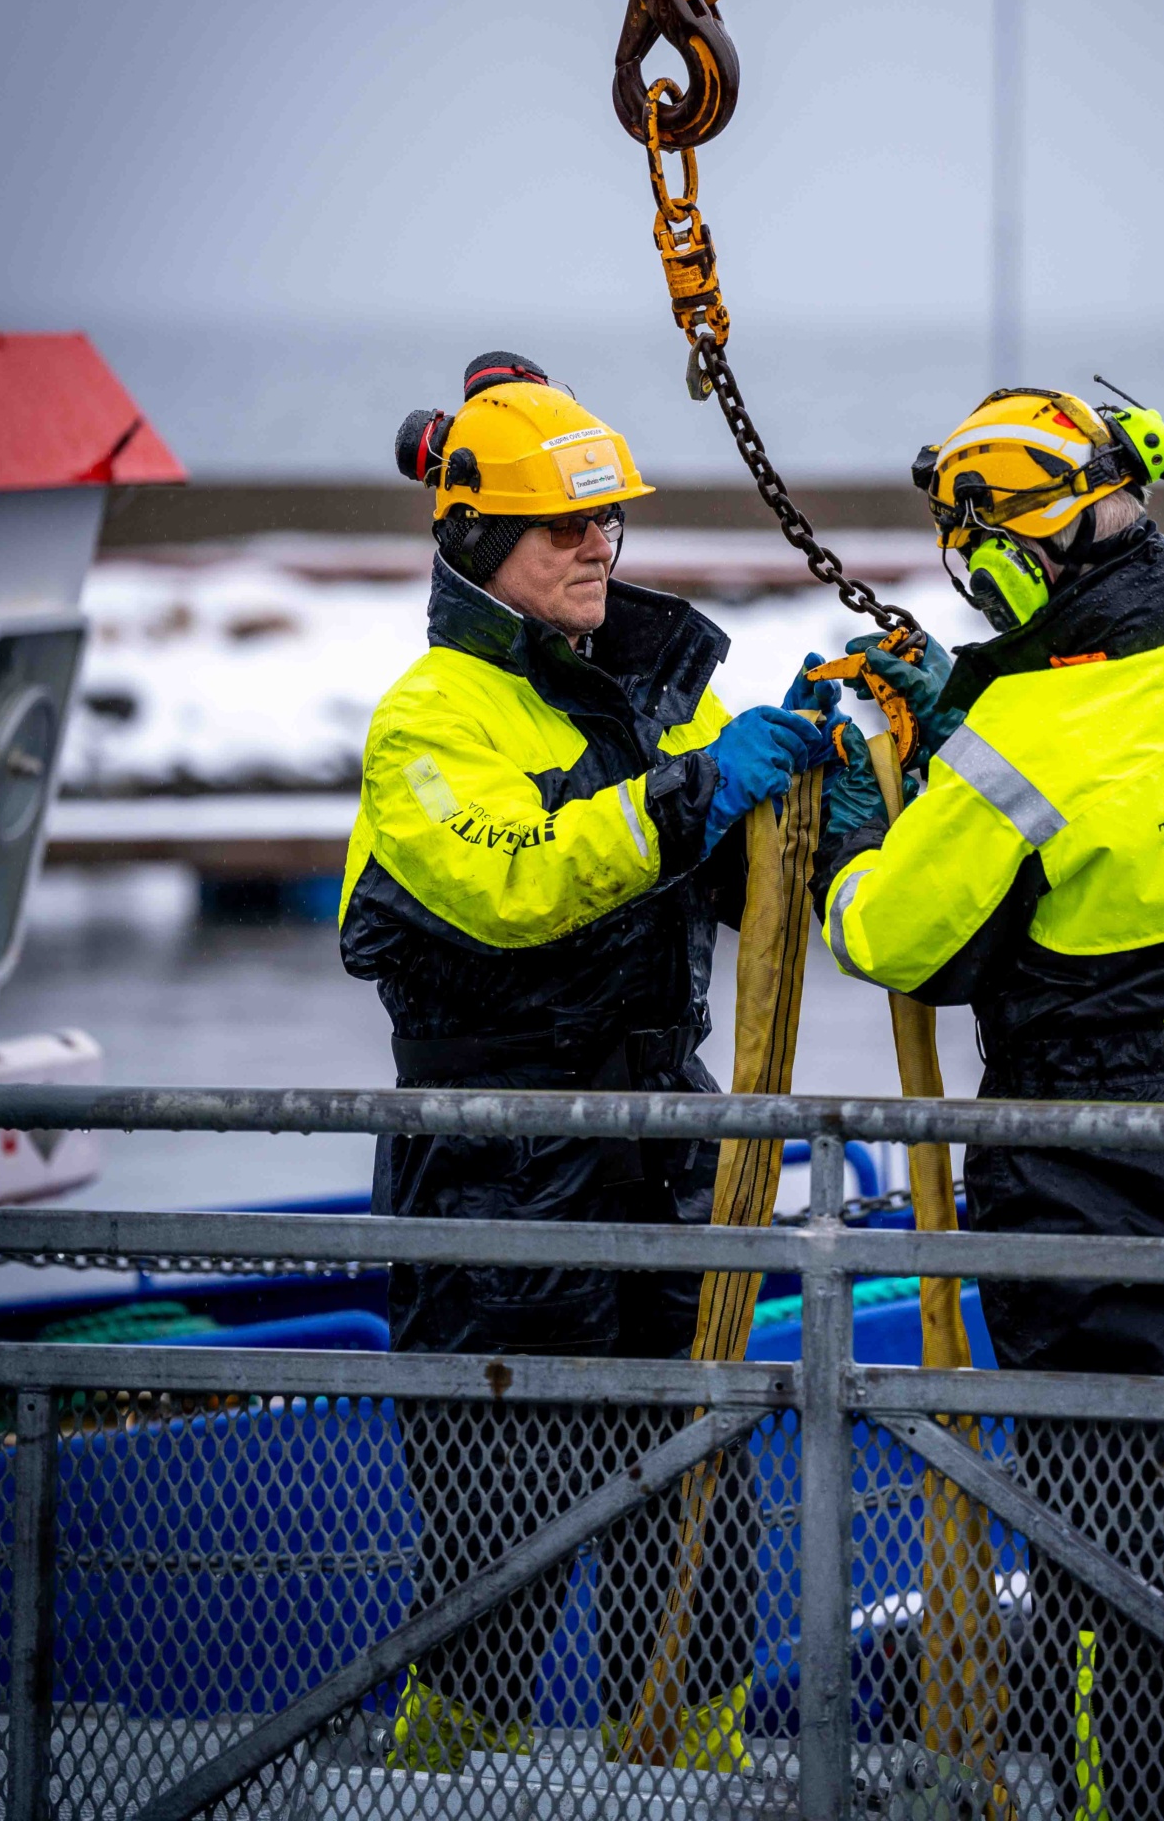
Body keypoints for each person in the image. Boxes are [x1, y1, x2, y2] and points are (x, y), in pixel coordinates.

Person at [807, 384, 1164, 1815]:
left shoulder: (1023, 743)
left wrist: (864, 834)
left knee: (1110, 1535)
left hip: (1106, 1156)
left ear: (1000, 554)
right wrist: (983, 699)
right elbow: (1145, 768)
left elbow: (888, 937)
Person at [341, 348, 829, 1771]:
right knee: (508, 1487)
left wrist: (825, 801)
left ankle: (689, 1753)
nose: (596, 548)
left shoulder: (651, 694)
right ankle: (445, 1765)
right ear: (481, 543)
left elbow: (735, 881)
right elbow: (514, 883)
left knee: (696, 1478)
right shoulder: (432, 715)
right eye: (564, 527)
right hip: (499, 1163)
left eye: (607, 522)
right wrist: (694, 792)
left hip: (658, 1142)